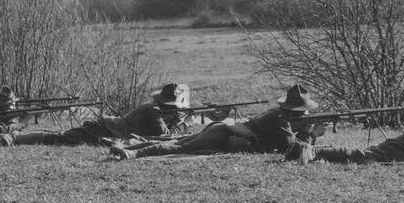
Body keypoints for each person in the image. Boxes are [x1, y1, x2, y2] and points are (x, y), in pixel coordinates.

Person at [111, 85, 316, 160]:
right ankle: (132, 152)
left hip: (222, 131)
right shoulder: (280, 119)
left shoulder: (278, 115)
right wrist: (310, 135)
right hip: (223, 134)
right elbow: (291, 148)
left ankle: (129, 147)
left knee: (178, 143)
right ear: (297, 112)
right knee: (179, 147)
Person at [0, 83, 188, 147]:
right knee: (61, 138)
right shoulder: (153, 111)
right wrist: (181, 124)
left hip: (107, 130)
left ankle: (16, 137)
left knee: (63, 136)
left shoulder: (155, 110)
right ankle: (15, 138)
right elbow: (163, 137)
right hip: (103, 128)